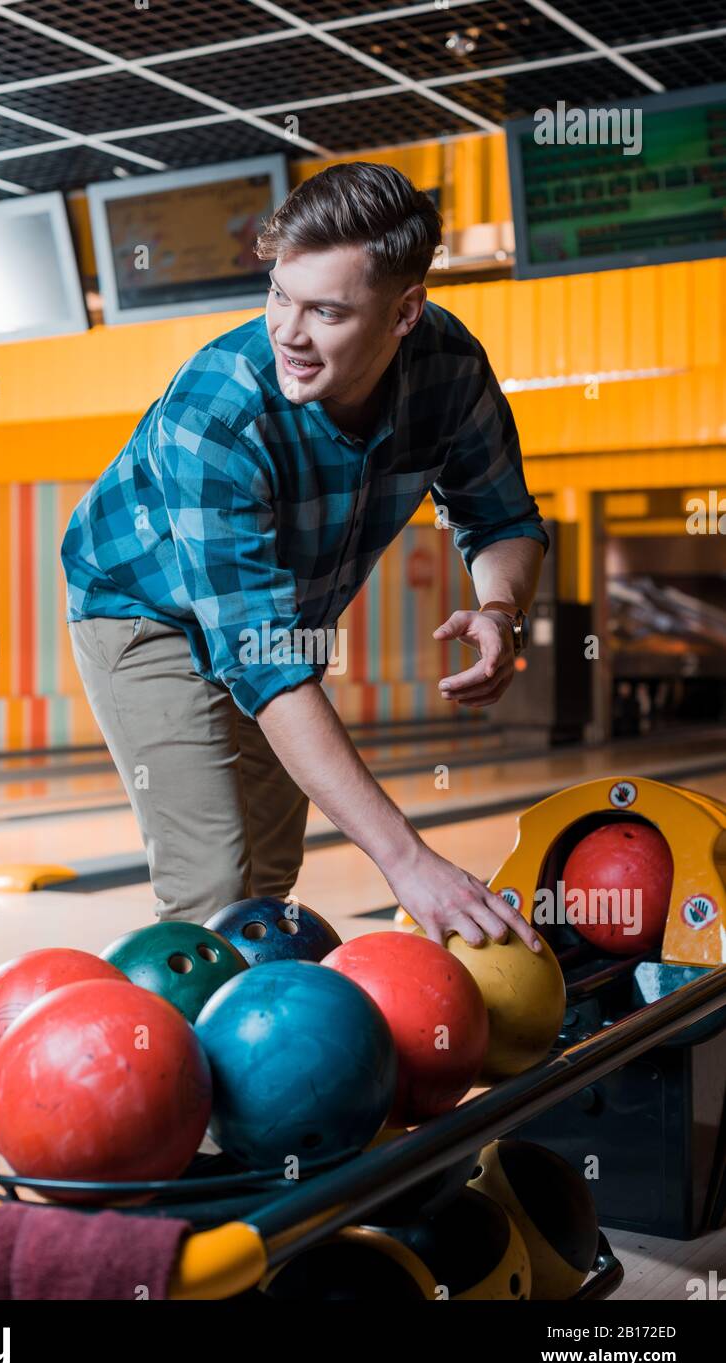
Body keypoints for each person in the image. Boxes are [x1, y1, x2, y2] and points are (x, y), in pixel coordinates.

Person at [62, 161, 548, 951]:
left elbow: (500, 519)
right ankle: (165, 1066)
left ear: (404, 313)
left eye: (325, 310)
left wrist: (500, 609)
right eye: (279, 294)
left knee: (267, 883)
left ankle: (271, 1059)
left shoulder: (450, 368)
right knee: (214, 886)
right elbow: (263, 664)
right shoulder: (216, 410)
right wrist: (407, 860)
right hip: (140, 609)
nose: (287, 330)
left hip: (282, 622)